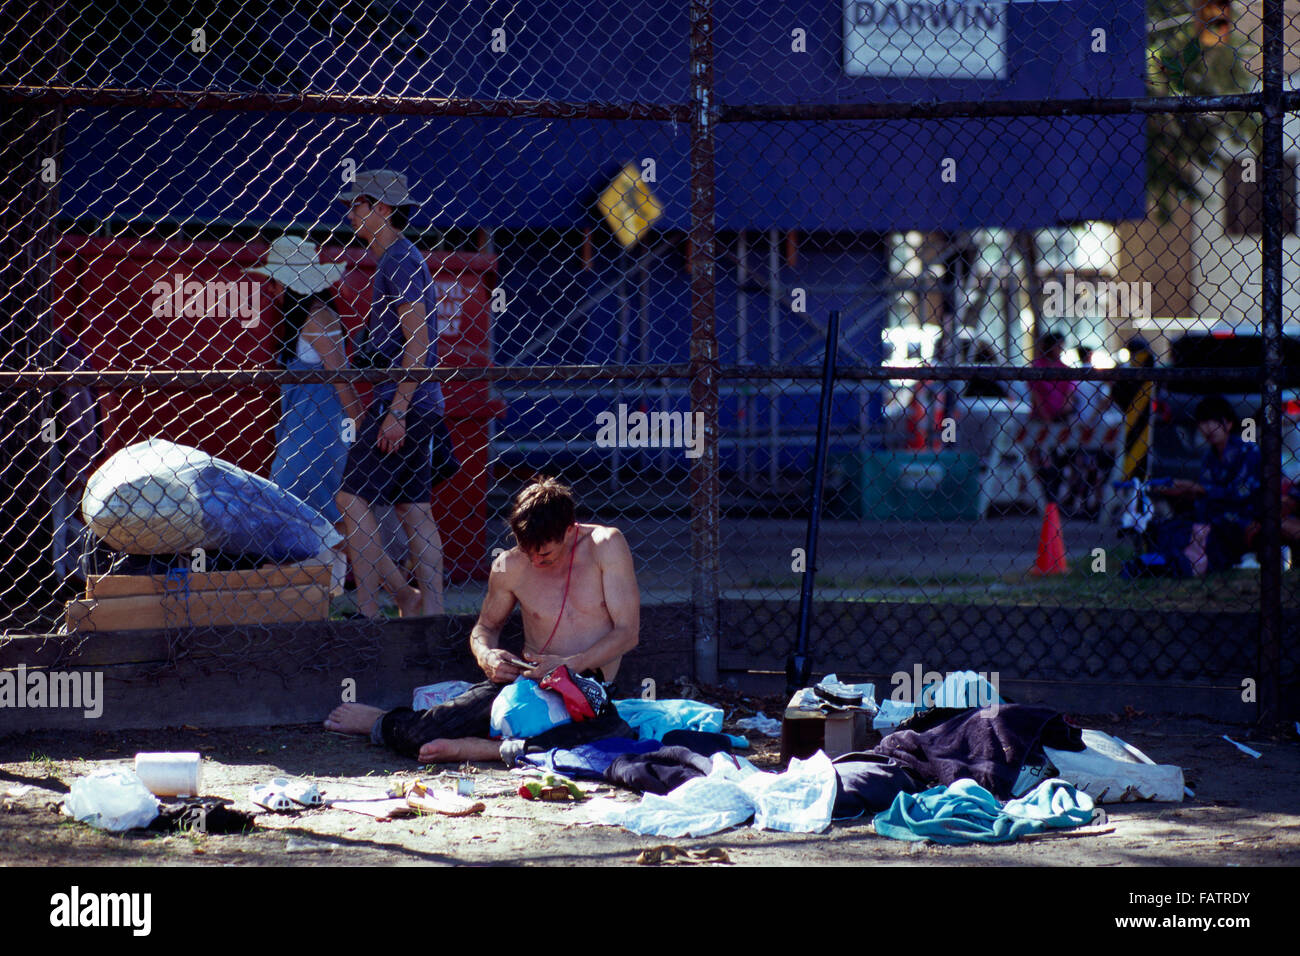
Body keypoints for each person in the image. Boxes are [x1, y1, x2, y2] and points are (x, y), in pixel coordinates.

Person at [324, 477, 640, 764]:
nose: (535, 562)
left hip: (590, 690)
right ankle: (381, 721)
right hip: (529, 686)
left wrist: (570, 664)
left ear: (570, 530)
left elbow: (628, 634)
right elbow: (484, 629)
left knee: (610, 741)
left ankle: (477, 748)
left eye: (545, 555)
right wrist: (487, 656)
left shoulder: (605, 545)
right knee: (421, 736)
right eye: (527, 552)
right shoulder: (510, 564)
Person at [336, 169, 458, 618]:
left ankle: (369, 612)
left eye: (356, 205)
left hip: (403, 399)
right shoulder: (403, 258)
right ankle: (432, 613)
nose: (349, 215)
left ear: (381, 209)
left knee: (351, 498)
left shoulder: (398, 261)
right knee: (413, 507)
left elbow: (419, 341)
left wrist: (397, 409)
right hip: (418, 399)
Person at [248, 236, 359, 526]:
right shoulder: (306, 317)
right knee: (313, 523)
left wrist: (362, 430)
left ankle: (373, 569)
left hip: (316, 436)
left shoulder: (317, 319)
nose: (270, 290)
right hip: (303, 432)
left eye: (275, 282)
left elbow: (342, 381)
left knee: (285, 517)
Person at [1148, 394, 1261, 574]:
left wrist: (1197, 488)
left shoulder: (1247, 452)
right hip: (1211, 518)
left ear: (1228, 424)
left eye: (1213, 422)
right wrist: (1183, 491)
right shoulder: (1210, 457)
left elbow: (1241, 494)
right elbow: (1205, 493)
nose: (1207, 428)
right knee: (1166, 528)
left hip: (1240, 519)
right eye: (1202, 423)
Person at [1029, 331, 1075, 423]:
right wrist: (1045, 416)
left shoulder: (1064, 368)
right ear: (1049, 346)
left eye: (1062, 346)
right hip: (1040, 416)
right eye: (1058, 346)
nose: (1061, 349)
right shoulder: (1038, 366)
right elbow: (1035, 394)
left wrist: (1065, 409)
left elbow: (1069, 393)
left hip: (1061, 416)